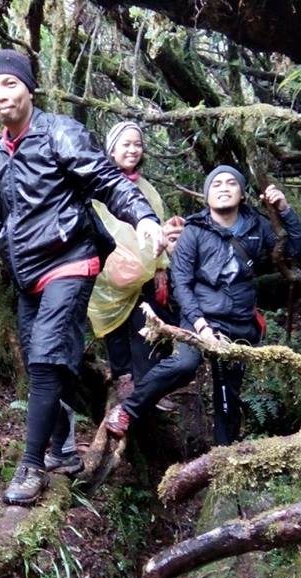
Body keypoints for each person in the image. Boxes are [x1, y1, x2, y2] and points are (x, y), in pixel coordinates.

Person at [0, 50, 165, 505]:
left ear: (29, 88)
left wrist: (144, 217)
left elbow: (107, 181)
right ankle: (64, 451)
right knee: (44, 361)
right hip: (28, 271)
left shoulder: (59, 133)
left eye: (9, 84)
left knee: (47, 358)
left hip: (71, 259)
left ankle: (32, 467)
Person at [104, 165, 301, 445]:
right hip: (199, 316)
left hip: (240, 322)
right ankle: (128, 410)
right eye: (216, 184)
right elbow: (181, 282)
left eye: (231, 183)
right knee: (183, 364)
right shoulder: (195, 230)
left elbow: (299, 249)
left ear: (241, 194)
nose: (224, 188)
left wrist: (284, 210)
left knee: (228, 395)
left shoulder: (257, 225)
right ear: (206, 196)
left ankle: (221, 459)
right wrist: (200, 325)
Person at [87, 121, 185, 400]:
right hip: (109, 273)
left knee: (147, 327)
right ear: (112, 150)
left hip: (145, 272)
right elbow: (97, 227)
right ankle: (123, 382)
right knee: (115, 329)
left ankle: (149, 387)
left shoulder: (148, 189)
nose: (132, 150)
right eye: (126, 144)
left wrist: (161, 266)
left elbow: (156, 228)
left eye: (137, 144)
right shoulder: (98, 184)